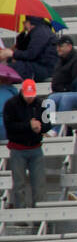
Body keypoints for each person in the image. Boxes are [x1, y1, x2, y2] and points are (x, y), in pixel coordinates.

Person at [3, 79, 50, 213]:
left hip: (35, 147)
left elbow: (48, 123)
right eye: (28, 95)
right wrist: (28, 126)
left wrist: (41, 128)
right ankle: (20, 215)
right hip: (18, 148)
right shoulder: (11, 105)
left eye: (32, 95)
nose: (30, 98)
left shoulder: (40, 104)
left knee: (39, 184)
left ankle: (39, 215)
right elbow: (10, 127)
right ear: (22, 92)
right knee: (19, 184)